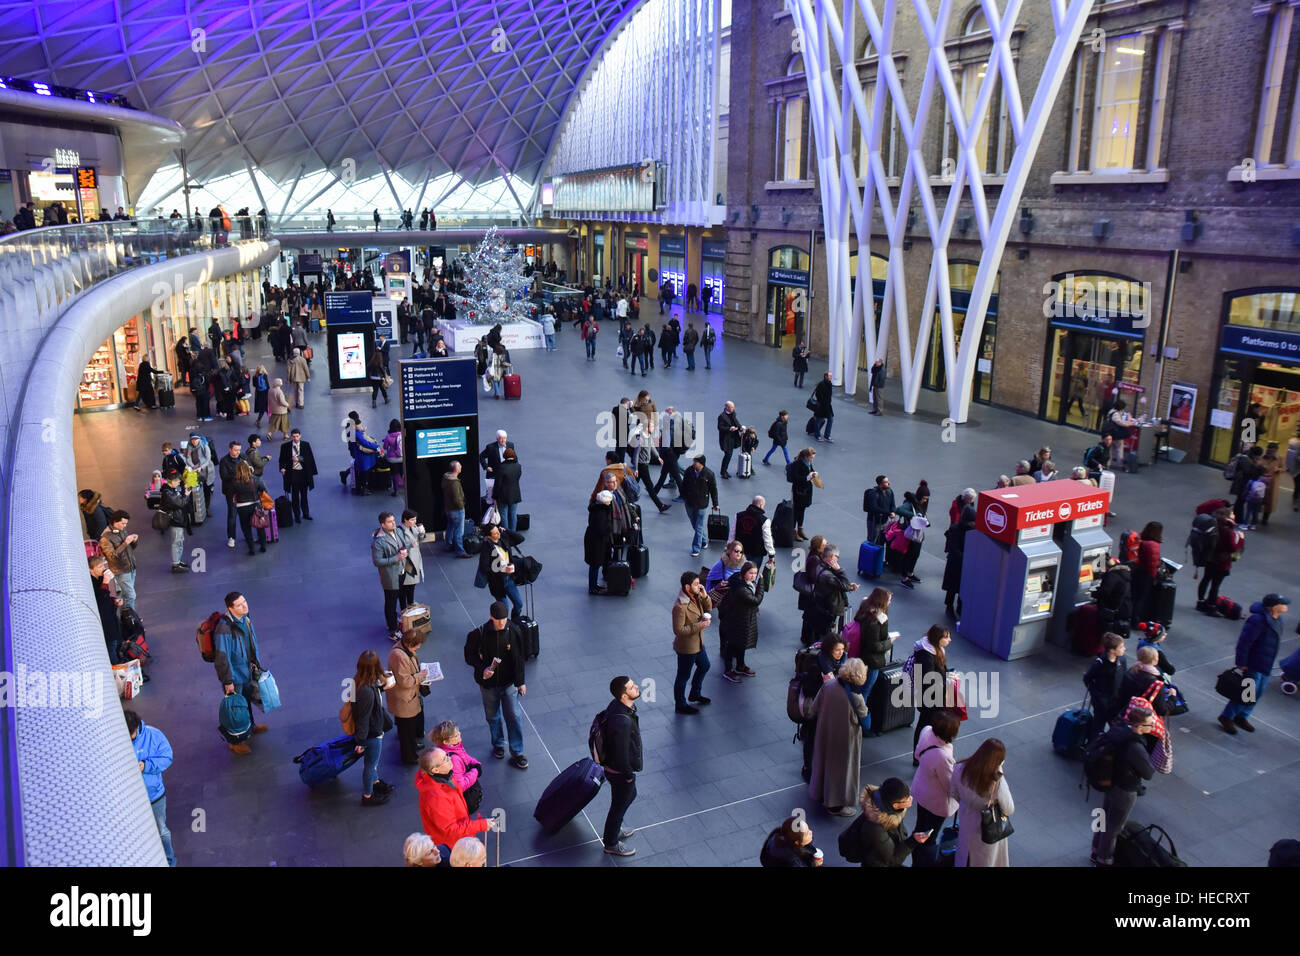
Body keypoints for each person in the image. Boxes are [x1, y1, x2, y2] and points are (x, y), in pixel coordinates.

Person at [463, 602, 528, 768]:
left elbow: (519, 658)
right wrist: (481, 667)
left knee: (514, 716)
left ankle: (517, 751)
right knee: (493, 716)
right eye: (498, 620)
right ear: (491, 617)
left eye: (504, 620)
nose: (502, 624)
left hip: (509, 683)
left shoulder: (514, 630)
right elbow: (469, 656)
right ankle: (498, 744)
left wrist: (520, 682)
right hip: (488, 684)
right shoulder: (478, 633)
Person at [1089, 708, 1157, 866]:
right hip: (1125, 789)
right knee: (1114, 827)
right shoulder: (1135, 747)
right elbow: (1148, 773)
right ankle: (1104, 858)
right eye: (1150, 724)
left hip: (1109, 782)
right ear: (1140, 727)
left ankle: (1095, 849)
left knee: (1103, 818)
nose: (1152, 726)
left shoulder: (1118, 731)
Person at [1218, 594, 1289, 735]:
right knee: (1247, 693)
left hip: (1266, 663)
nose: (1286, 606)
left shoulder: (1277, 619)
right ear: (1273, 607)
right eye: (1283, 604)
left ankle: (1242, 716)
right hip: (1254, 664)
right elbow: (1245, 642)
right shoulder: (1258, 620)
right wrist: (1241, 662)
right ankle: (1227, 716)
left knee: (1259, 691)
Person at [808, 657, 870, 815]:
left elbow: (813, 709)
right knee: (841, 771)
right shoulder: (856, 697)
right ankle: (835, 805)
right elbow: (866, 723)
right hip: (845, 740)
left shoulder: (829, 685)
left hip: (825, 732)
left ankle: (820, 793)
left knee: (823, 764)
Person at [212, 592, 268, 755]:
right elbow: (222, 658)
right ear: (230, 608)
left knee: (245, 702)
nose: (245, 606)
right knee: (235, 708)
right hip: (234, 676)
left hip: (246, 670)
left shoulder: (245, 618)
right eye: (239, 605)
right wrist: (227, 681)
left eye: (244, 601)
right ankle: (235, 742)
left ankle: (250, 726)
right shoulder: (224, 629)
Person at [950, 738, 1015, 867]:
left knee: (965, 856)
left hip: (966, 819)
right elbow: (1009, 809)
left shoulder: (960, 768)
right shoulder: (997, 782)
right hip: (987, 829)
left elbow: (954, 793)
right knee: (985, 861)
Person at [124, 709, 176, 866]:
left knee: (161, 831)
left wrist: (146, 766)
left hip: (154, 796)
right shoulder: (120, 739)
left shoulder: (154, 735)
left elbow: (167, 757)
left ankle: (169, 861)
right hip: (131, 799)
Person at [597, 676, 642, 856]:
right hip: (620, 772)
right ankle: (611, 843)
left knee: (629, 796)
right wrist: (628, 774)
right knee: (618, 805)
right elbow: (621, 754)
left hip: (616, 769)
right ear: (624, 695)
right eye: (632, 687)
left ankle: (615, 830)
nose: (636, 687)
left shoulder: (618, 706)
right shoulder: (622, 721)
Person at [909, 710, 960, 866]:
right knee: (929, 837)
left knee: (920, 829)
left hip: (922, 792)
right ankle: (920, 863)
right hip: (935, 803)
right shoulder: (943, 757)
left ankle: (915, 860)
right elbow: (950, 785)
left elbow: (918, 754)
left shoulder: (926, 731)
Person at [416, 747, 496, 841]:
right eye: (445, 759)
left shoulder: (445, 775)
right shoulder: (436, 798)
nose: (450, 758)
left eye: (447, 755)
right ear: (435, 770)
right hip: (453, 844)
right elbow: (451, 830)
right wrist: (482, 825)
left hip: (460, 833)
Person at [351, 650, 396, 806]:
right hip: (371, 733)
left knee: (372, 762)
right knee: (371, 765)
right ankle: (368, 796)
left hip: (367, 731)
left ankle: (375, 783)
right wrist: (361, 742)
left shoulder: (357, 681)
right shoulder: (367, 692)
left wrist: (381, 688)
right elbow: (363, 718)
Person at [851, 588, 895, 734]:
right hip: (872, 661)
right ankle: (862, 724)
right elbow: (875, 645)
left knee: (861, 689)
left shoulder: (865, 608)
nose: (890, 602)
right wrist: (890, 642)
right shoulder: (878, 619)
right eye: (888, 599)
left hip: (860, 656)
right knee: (865, 692)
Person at [671, 571, 713, 714]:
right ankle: (680, 705)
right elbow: (678, 630)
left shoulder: (696, 596)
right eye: (696, 584)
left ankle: (695, 693)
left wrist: (705, 595)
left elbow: (709, 608)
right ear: (687, 587)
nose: (699, 586)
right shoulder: (680, 607)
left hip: (698, 643)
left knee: (705, 665)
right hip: (687, 647)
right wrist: (700, 626)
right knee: (683, 675)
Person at [909, 624, 952, 758]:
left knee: (928, 724)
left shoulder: (936, 649)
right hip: (929, 697)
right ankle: (918, 754)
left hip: (936, 694)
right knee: (924, 725)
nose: (949, 640)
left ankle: (924, 753)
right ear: (937, 638)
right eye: (946, 637)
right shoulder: (926, 655)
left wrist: (947, 675)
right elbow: (928, 679)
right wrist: (946, 682)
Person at [387, 628, 429, 765]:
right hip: (405, 700)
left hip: (405, 699)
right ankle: (409, 756)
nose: (420, 646)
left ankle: (411, 747)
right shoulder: (401, 657)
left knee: (406, 728)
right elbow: (406, 682)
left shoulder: (401, 649)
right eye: (419, 644)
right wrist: (421, 675)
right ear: (412, 644)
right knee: (407, 730)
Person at [719, 561, 763, 683]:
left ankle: (740, 665)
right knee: (732, 645)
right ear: (744, 573)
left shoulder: (744, 582)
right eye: (751, 573)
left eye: (755, 573)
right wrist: (761, 585)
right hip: (736, 619)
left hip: (743, 618)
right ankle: (728, 670)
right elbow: (756, 600)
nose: (753, 576)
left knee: (741, 643)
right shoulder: (742, 589)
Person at [372, 511, 409, 642]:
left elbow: (403, 543)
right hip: (390, 575)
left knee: (400, 595)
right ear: (383, 524)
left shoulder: (398, 531)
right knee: (391, 602)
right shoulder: (379, 541)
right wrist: (396, 558)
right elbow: (377, 561)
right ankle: (392, 630)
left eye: (394, 520)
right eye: (389, 521)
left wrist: (406, 549)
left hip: (402, 570)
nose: (393, 523)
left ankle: (395, 621)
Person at [1083, 632, 1127, 739]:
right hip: (1102, 702)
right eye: (1121, 647)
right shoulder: (1100, 664)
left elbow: (1123, 677)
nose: (1124, 649)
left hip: (1116, 701)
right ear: (1112, 650)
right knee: (1098, 726)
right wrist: (1097, 696)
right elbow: (1087, 678)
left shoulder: (1122, 660)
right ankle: (1093, 747)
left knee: (1116, 725)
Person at [477, 523, 526, 619]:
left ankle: (514, 622)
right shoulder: (487, 547)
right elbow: (484, 567)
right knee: (505, 609)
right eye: (495, 534)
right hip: (497, 582)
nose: (498, 535)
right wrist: (503, 570)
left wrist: (506, 530)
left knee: (519, 604)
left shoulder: (503, 537)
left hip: (509, 579)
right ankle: (505, 627)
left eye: (498, 531)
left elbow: (520, 538)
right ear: (489, 537)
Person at [1196, 507, 1239, 612]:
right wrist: (1241, 539)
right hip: (1222, 561)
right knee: (1215, 585)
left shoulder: (1212, 526)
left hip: (1210, 558)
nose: (1234, 515)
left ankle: (1200, 602)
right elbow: (1232, 548)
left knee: (1206, 579)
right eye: (1232, 513)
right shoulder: (1227, 531)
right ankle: (1211, 606)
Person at [680, 454, 719, 558]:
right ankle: (703, 540)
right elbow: (683, 484)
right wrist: (683, 496)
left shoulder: (709, 474)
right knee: (695, 524)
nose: (693, 463)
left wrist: (716, 504)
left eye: (695, 462)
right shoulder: (689, 471)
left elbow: (713, 490)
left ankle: (696, 548)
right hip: (689, 502)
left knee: (699, 526)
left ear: (701, 463)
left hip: (702, 504)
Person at [98, 511, 139, 609]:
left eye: (126, 524)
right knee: (131, 595)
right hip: (121, 571)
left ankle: (127, 616)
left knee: (127, 594)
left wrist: (134, 541)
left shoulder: (121, 531)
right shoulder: (105, 538)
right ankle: (130, 618)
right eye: (122, 523)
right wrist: (125, 543)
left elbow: (129, 549)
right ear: (114, 521)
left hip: (130, 567)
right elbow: (111, 556)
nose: (124, 526)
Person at [894, 482, 931, 589]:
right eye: (924, 498)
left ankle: (910, 573)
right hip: (910, 534)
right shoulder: (910, 503)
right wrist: (915, 516)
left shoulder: (920, 504)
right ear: (919, 496)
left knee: (915, 554)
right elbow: (898, 510)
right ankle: (905, 577)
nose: (925, 500)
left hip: (916, 535)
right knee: (908, 556)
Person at [276, 428, 316, 522]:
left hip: (303, 474)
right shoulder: (285, 446)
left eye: (297, 436)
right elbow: (282, 460)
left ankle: (306, 513)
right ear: (291, 436)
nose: (295, 438)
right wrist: (282, 468)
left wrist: (299, 459)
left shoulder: (306, 445)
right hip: (292, 474)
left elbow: (309, 458)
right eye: (293, 436)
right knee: (294, 496)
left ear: (300, 436)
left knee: (304, 495)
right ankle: (297, 516)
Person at [942, 506, 975, 620]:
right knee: (953, 586)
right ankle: (949, 606)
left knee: (960, 586)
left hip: (961, 561)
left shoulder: (967, 529)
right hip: (956, 563)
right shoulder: (956, 529)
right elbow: (953, 547)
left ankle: (959, 606)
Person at [88, 555, 123, 663]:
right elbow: (99, 599)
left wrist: (114, 600)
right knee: (111, 644)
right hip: (104, 620)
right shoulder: (91, 583)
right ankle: (115, 666)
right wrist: (106, 582)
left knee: (116, 641)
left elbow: (105, 596)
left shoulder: (99, 579)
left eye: (103, 565)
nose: (103, 568)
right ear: (91, 570)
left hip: (110, 615)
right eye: (99, 567)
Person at [231, 460, 268, 555]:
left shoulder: (235, 482)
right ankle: (263, 546)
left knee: (246, 528)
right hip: (256, 505)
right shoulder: (255, 479)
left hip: (242, 507)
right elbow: (264, 489)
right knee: (260, 526)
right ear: (248, 469)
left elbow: (231, 493)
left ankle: (251, 549)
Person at [1130, 521, 1163, 622]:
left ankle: (1132, 616)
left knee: (1136, 596)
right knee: (1141, 598)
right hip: (1146, 575)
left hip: (1139, 571)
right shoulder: (1154, 545)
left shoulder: (1144, 542)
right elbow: (1152, 564)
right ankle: (1136, 620)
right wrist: (1155, 576)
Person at [159, 471, 190, 573]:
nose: (179, 483)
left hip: (178, 520)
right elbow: (180, 503)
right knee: (176, 542)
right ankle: (176, 564)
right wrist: (186, 495)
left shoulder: (170, 489)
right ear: (171, 481)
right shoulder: (167, 492)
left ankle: (178, 561)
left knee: (179, 541)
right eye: (177, 481)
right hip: (175, 520)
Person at [218, 440, 244, 549]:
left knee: (246, 514)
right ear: (230, 449)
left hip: (244, 491)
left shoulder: (243, 458)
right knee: (232, 515)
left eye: (239, 450)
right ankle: (232, 537)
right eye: (235, 450)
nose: (238, 452)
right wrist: (238, 475)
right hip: (231, 492)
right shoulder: (224, 461)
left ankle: (248, 535)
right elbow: (224, 476)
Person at [788, 446, 818, 541]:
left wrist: (813, 474)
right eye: (811, 457)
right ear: (806, 456)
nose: (812, 459)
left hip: (806, 490)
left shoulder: (808, 462)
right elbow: (796, 478)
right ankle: (793, 531)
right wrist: (807, 478)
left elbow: (811, 470)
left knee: (802, 510)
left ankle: (800, 529)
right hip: (799, 491)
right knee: (796, 511)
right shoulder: (797, 464)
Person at [442, 461, 471, 557]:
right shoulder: (454, 483)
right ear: (456, 469)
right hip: (456, 510)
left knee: (450, 527)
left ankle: (448, 545)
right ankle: (460, 551)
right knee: (459, 531)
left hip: (448, 508)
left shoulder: (446, 478)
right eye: (459, 465)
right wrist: (461, 505)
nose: (461, 466)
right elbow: (456, 498)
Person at [398, 509, 425, 610]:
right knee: (405, 585)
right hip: (407, 561)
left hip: (415, 558)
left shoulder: (414, 527)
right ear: (405, 520)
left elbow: (420, 539)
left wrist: (422, 534)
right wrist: (409, 546)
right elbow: (399, 546)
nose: (414, 522)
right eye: (412, 520)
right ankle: (404, 607)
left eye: (415, 519)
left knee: (412, 583)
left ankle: (410, 602)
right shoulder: (400, 531)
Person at [492, 447, 523, 532]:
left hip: (503, 495)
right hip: (515, 494)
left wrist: (494, 496)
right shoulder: (518, 466)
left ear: (504, 455)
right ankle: (513, 533)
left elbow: (497, 484)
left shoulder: (501, 467)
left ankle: (506, 534)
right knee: (513, 514)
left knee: (503, 515)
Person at [863, 474, 896, 545]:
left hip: (885, 521)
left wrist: (893, 511)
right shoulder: (873, 493)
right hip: (874, 522)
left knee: (882, 541)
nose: (889, 483)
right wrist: (888, 513)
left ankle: (879, 555)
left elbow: (893, 505)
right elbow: (874, 508)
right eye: (886, 482)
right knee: (873, 541)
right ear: (880, 484)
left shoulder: (890, 492)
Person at [716, 401, 741, 478]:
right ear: (726, 407)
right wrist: (729, 429)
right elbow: (720, 427)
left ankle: (724, 471)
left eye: (733, 407)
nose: (733, 408)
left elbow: (736, 422)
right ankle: (723, 471)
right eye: (731, 407)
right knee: (728, 455)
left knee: (729, 455)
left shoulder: (733, 413)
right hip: (726, 439)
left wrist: (740, 428)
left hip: (733, 438)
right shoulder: (721, 416)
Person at [382, 419, 403, 497]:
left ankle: (396, 491)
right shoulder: (403, 434)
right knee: (403, 472)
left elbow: (385, 447)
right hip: (402, 457)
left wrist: (386, 441)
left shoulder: (388, 436)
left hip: (392, 459)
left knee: (395, 474)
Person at [811, 371, 834, 442]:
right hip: (822, 406)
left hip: (827, 406)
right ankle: (817, 434)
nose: (831, 377)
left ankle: (826, 435)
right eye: (829, 376)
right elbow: (818, 395)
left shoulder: (829, 384)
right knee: (819, 420)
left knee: (830, 419)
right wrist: (823, 402)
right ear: (826, 377)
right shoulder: (821, 384)